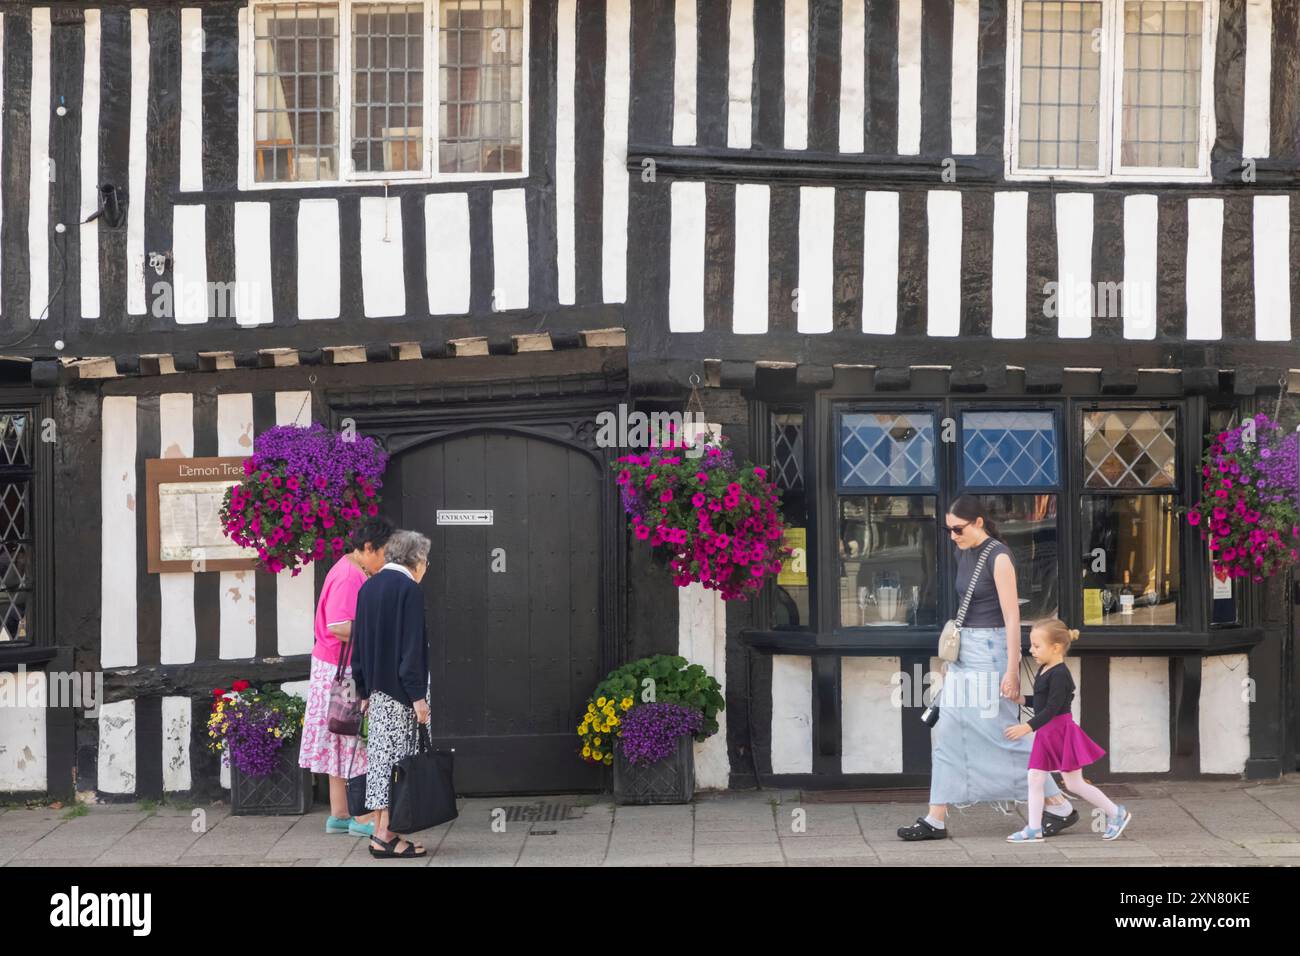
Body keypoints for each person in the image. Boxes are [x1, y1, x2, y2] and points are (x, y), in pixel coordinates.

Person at [898, 495, 1077, 840]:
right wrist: (953, 663)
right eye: (948, 529)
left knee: (1003, 732)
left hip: (992, 651)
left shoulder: (1000, 557)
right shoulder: (962, 552)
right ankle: (936, 817)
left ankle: (1058, 803)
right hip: (967, 651)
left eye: (958, 528)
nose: (952, 535)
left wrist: (1012, 670)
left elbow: (1013, 619)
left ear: (978, 522)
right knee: (948, 729)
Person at [298, 516, 394, 836]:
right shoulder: (350, 577)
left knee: (341, 739)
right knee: (355, 741)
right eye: (384, 552)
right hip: (345, 672)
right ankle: (362, 817)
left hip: (333, 669)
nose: (386, 560)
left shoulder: (348, 568)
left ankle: (339, 814)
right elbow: (339, 626)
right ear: (368, 548)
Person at [1005, 619, 1131, 842]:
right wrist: (1022, 699)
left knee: (1074, 783)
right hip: (1047, 732)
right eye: (1031, 645)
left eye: (1036, 645)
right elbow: (1043, 702)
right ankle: (1034, 828)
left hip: (1060, 732)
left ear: (1056, 647)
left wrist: (1027, 727)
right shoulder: (1045, 668)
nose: (1031, 650)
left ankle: (1116, 813)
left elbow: (1053, 709)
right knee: (1035, 778)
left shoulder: (1061, 674)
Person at [352, 529, 433, 859]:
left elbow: (359, 646)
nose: (426, 567)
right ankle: (387, 835)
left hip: (376, 692)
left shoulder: (369, 586)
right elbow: (411, 649)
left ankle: (379, 835)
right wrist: (418, 697)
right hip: (402, 695)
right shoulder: (408, 590)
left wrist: (364, 689)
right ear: (415, 560)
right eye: (426, 560)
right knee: (400, 765)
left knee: (381, 764)